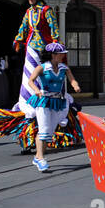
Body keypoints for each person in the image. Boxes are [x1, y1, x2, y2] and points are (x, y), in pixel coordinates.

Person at [22, 42, 81, 172]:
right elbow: (30, 81)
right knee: (44, 129)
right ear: (53, 55)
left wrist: (75, 85)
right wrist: (36, 90)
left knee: (48, 132)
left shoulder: (64, 68)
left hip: (57, 102)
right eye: (61, 54)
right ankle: (41, 159)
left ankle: (38, 157)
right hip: (44, 101)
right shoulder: (42, 67)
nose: (63, 56)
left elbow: (72, 79)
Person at [12, 0, 59, 112]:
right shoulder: (28, 12)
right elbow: (23, 27)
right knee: (29, 72)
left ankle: (45, 99)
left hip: (44, 48)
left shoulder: (46, 10)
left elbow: (54, 26)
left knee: (45, 73)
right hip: (31, 46)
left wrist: (55, 42)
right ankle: (27, 100)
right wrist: (18, 39)